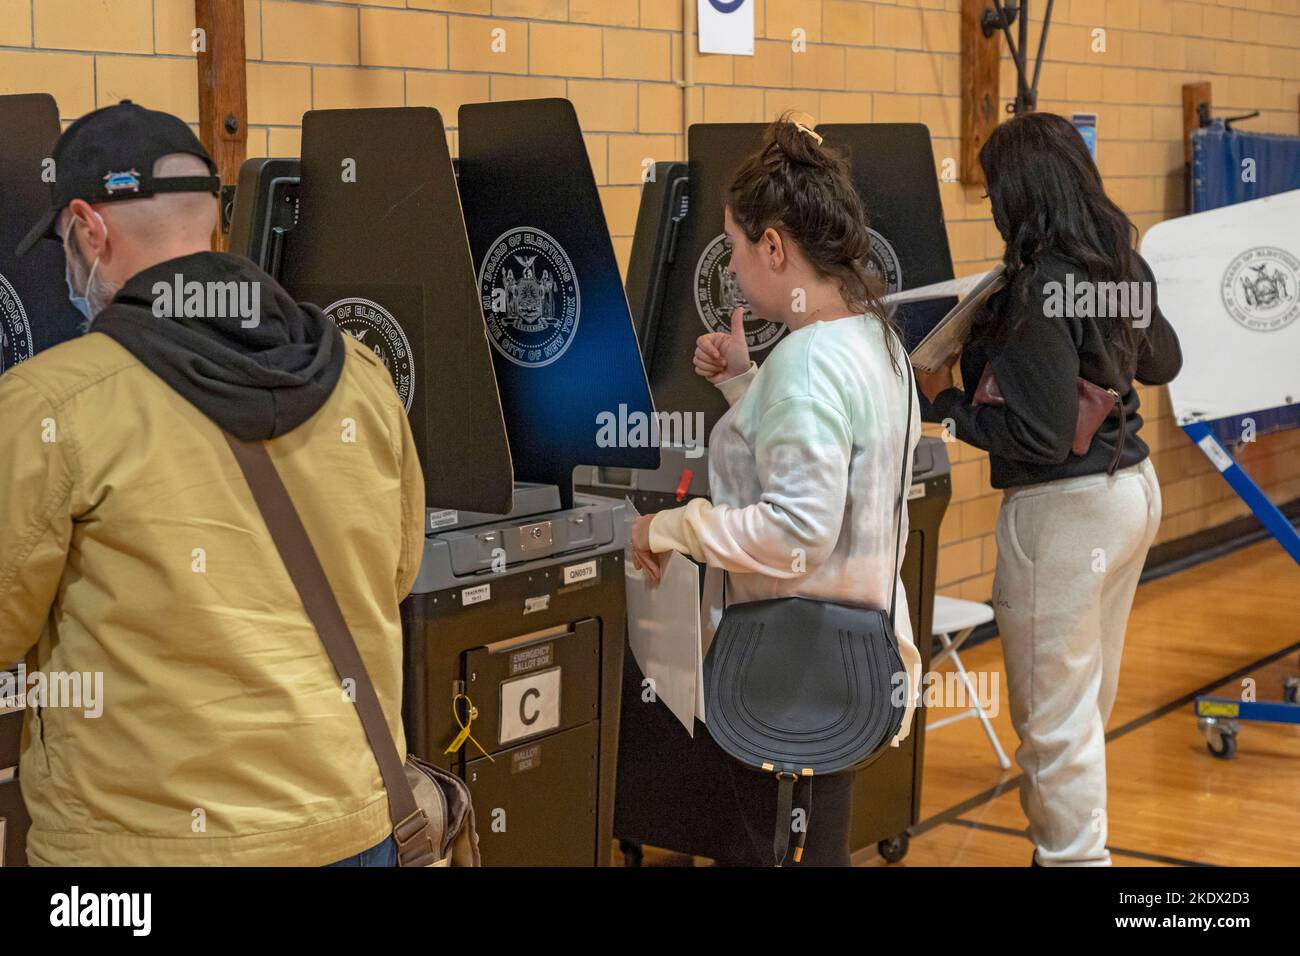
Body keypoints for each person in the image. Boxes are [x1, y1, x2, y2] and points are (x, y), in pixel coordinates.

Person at [0, 101, 424, 866]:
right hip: (350, 825)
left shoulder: (51, 402)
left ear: (91, 229)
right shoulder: (360, 376)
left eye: (66, 242)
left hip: (143, 851)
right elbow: (395, 570)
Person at [629, 115, 921, 866]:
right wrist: (743, 383)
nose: (730, 265)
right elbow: (823, 462)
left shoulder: (808, 364)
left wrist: (672, 529)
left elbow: (796, 533)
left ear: (774, 247)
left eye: (732, 245)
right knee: (817, 846)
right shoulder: (872, 339)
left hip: (785, 665)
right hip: (853, 657)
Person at [913, 111, 1183, 867]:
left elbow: (1033, 434)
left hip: (1064, 516)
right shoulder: (1118, 265)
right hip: (1131, 491)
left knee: (1053, 719)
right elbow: (1162, 362)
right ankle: (1073, 850)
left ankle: (1072, 860)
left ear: (1021, 192)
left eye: (997, 188)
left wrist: (941, 403)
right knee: (1084, 702)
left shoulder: (1041, 285)